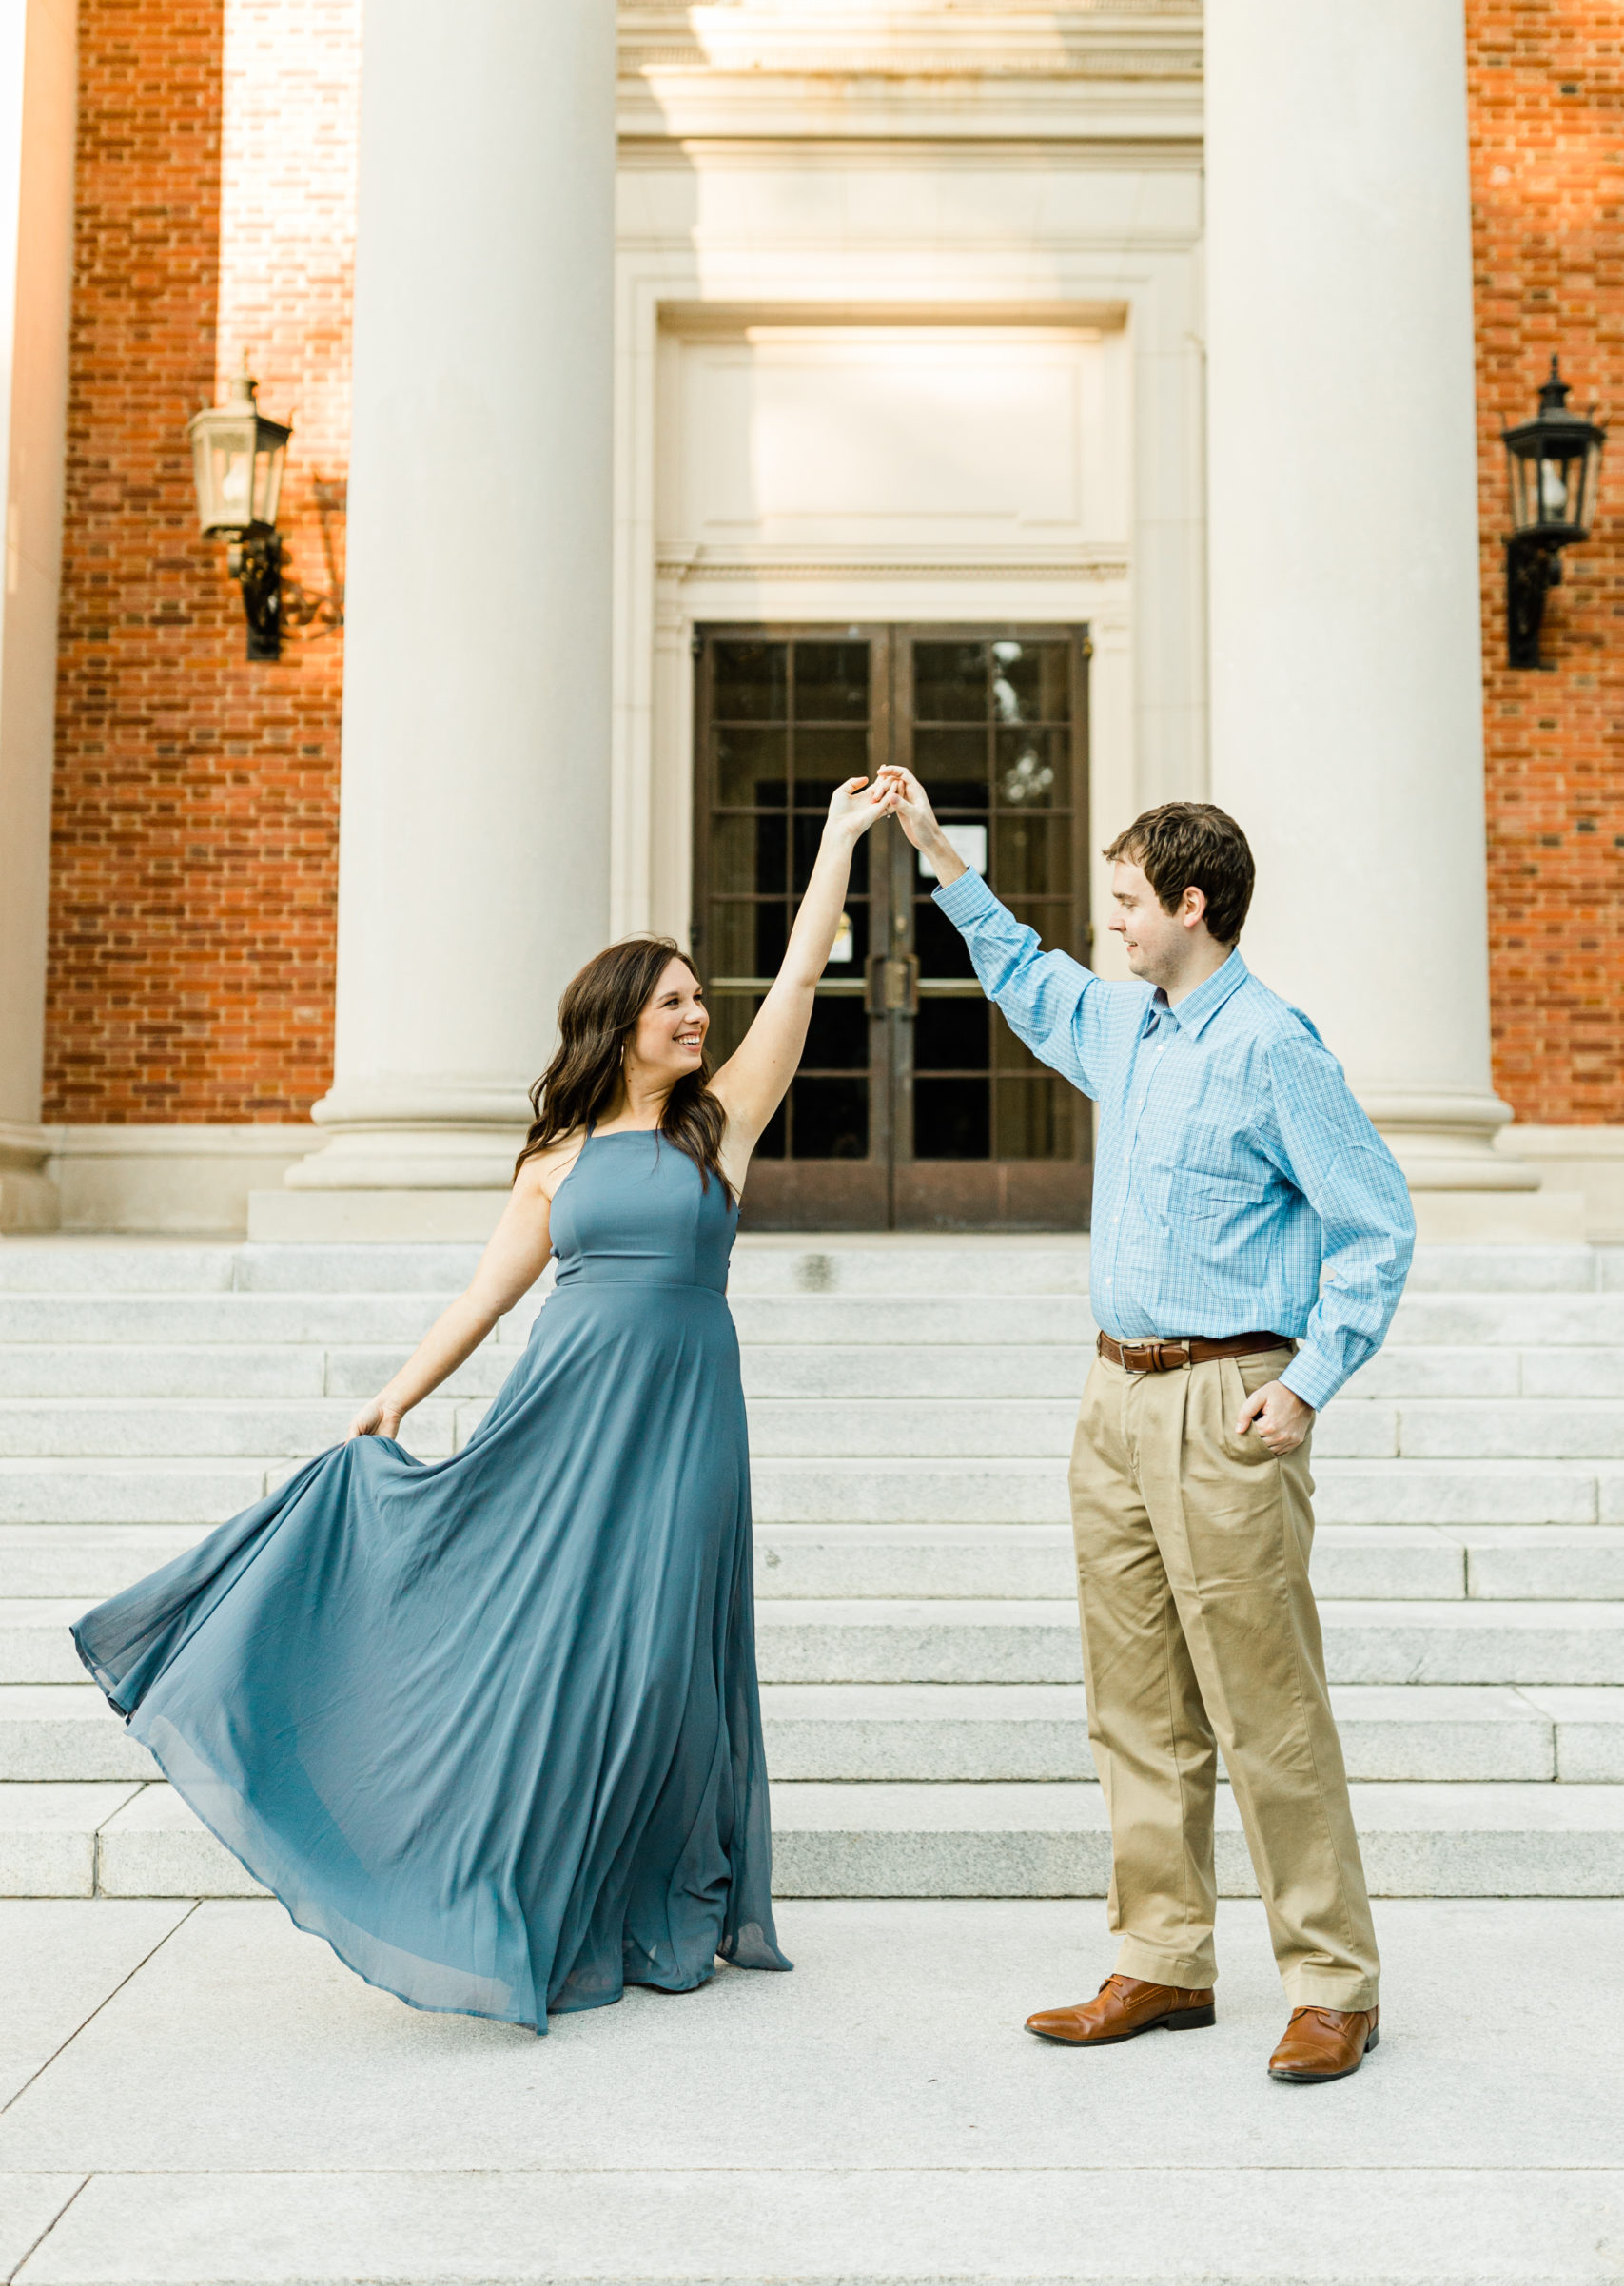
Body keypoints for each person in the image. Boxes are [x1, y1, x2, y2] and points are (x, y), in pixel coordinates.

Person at [73, 774, 890, 2033]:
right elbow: (486, 1300)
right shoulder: (555, 1162)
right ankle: (518, 1885)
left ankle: (659, 1899)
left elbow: (795, 992)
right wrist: (394, 1399)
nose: (695, 1013)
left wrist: (837, 844)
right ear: (620, 1022)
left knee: (666, 1657)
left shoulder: (715, 1131)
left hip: (687, 1427)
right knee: (561, 1655)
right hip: (562, 1424)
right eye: (672, 999)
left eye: (695, 999)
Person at [877, 770, 1414, 2085]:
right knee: (1135, 1705)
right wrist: (943, 856)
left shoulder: (1274, 1045)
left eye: (1127, 901)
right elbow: (1024, 971)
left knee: (1265, 1705)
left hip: (1226, 1402)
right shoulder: (1134, 1028)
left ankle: (1333, 1982)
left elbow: (1376, 1224)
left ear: (1192, 904)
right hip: (1112, 1399)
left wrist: (1309, 1383)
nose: (1110, 923)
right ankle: (1164, 1959)